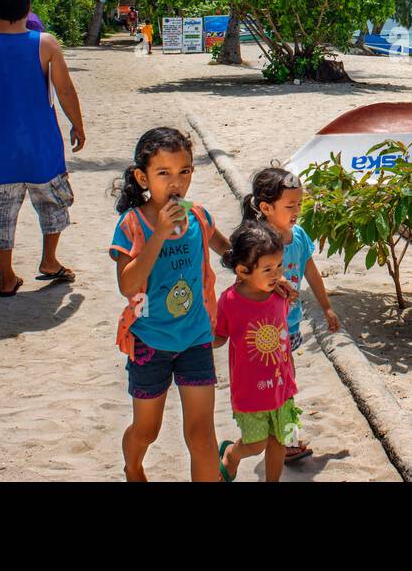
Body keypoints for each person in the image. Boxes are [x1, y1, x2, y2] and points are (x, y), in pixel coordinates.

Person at [109, 128, 228, 482]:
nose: (176, 183)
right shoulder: (132, 225)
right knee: (147, 431)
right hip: (149, 342)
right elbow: (126, 286)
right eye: (164, 173)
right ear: (142, 177)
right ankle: (133, 465)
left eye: (185, 172)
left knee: (202, 435)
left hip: (195, 338)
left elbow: (232, 253)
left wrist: (265, 264)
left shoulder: (199, 217)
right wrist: (159, 233)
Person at [0, 0, 84, 297]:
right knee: (52, 202)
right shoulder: (45, 44)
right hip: (40, 145)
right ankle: (49, 260)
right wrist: (77, 125)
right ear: (28, 9)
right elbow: (65, 90)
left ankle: (6, 277)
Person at [241, 166, 339, 464]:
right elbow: (244, 285)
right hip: (265, 333)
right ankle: (284, 440)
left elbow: (310, 270)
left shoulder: (298, 236)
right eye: (289, 206)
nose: (296, 211)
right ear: (266, 208)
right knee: (280, 384)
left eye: (299, 204)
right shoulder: (258, 244)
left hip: (291, 328)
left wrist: (326, 306)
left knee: (285, 382)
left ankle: (282, 438)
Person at [214, 220, 301, 483]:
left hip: (282, 385)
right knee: (255, 443)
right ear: (242, 271)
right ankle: (231, 454)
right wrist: (199, 339)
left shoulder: (279, 295)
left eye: (279, 266)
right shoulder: (230, 301)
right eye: (267, 269)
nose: (276, 274)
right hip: (250, 391)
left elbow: (282, 335)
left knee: (279, 440)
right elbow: (220, 336)